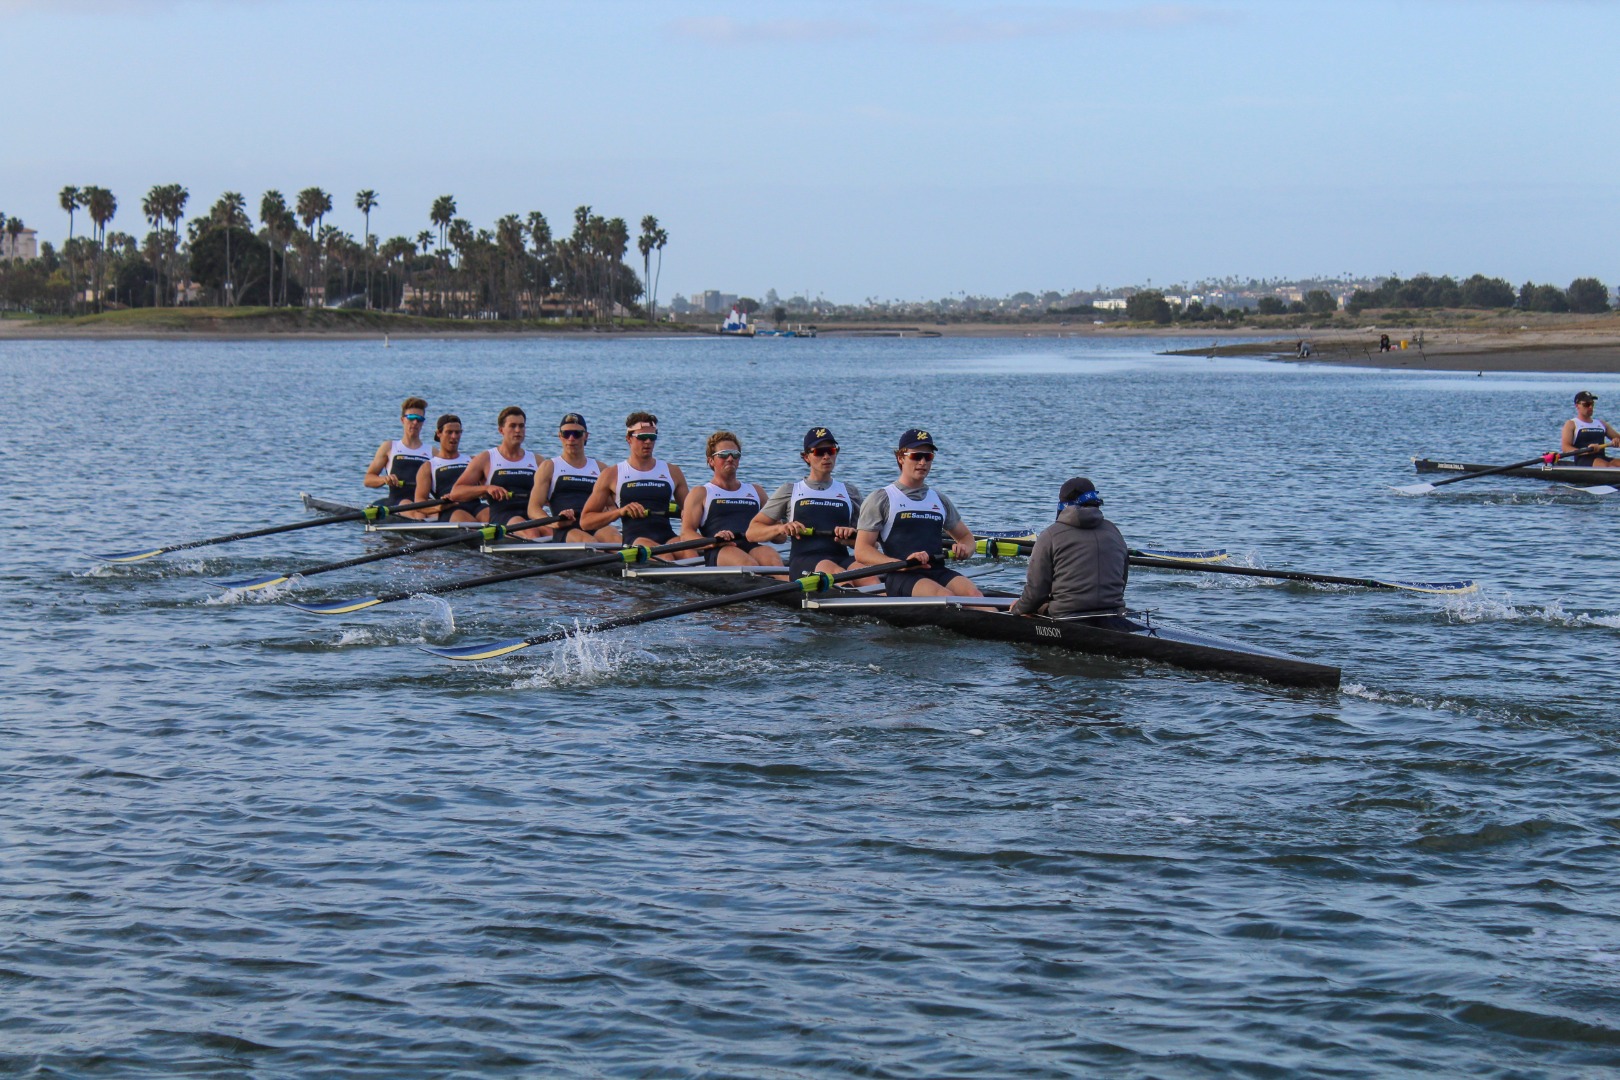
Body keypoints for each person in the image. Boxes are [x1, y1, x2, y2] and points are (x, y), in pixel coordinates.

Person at [852, 428, 982, 598]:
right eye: (916, 456)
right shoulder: (882, 498)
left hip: (937, 570)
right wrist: (900, 564)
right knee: (944, 595)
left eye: (928, 457)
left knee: (974, 594)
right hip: (902, 575)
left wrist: (965, 549)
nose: (923, 462)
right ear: (900, 458)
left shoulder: (939, 500)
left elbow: (966, 537)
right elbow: (862, 550)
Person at [747, 426, 874, 582]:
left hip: (841, 558)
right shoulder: (790, 491)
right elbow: (752, 532)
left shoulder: (850, 492)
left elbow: (870, 544)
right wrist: (781, 528)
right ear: (806, 457)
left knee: (868, 576)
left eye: (831, 451)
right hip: (803, 562)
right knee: (835, 572)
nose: (826, 457)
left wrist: (852, 537)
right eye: (819, 452)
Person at [1010, 477, 1129, 618]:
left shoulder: (1050, 535)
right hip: (1114, 614)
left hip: (1065, 616)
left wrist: (1017, 609)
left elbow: (1036, 592)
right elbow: (1122, 581)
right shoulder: (1114, 531)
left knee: (1030, 609)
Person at [579, 411, 690, 558]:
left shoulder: (673, 471)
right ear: (628, 439)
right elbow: (585, 522)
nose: (648, 442)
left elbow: (692, 513)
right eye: (642, 437)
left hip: (668, 536)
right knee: (665, 557)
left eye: (652, 437)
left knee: (691, 554)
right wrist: (619, 512)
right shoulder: (612, 474)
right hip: (636, 540)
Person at [681, 431, 783, 569]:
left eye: (735, 454)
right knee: (748, 564)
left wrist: (781, 529)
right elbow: (686, 534)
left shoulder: (757, 492)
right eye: (723, 454)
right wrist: (713, 542)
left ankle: (789, 583)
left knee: (772, 557)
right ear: (711, 460)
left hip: (751, 546)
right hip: (719, 549)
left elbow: (781, 538)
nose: (730, 458)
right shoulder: (700, 493)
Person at [448, 406, 541, 532]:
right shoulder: (486, 458)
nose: (518, 430)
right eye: (512, 426)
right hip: (502, 517)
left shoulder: (537, 460)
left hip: (531, 516)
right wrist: (486, 488)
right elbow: (456, 492)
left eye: (521, 426)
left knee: (550, 532)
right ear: (501, 430)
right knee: (532, 532)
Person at [529, 412, 617, 542]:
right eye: (566, 434)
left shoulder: (601, 469)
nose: (571, 438)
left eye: (577, 434)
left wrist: (606, 514)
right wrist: (554, 523)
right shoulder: (549, 467)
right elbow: (533, 508)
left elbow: (613, 507)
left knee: (616, 539)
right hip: (565, 528)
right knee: (589, 542)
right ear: (560, 436)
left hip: (594, 524)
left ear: (586, 436)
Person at [408, 413, 477, 521]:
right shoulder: (428, 467)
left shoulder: (472, 460)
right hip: (450, 510)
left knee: (491, 517)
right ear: (439, 433)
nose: (454, 436)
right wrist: (437, 508)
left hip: (476, 506)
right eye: (449, 432)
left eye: (457, 432)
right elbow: (419, 503)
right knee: (468, 521)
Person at [363, 396, 432, 506]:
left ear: (423, 422)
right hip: (397, 502)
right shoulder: (389, 447)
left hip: (422, 503)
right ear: (402, 420)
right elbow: (368, 479)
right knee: (407, 504)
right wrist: (384, 479)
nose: (415, 422)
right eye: (411, 417)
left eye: (419, 419)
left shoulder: (432, 452)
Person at [1561, 391, 1620, 468]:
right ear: (1577, 406)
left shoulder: (1601, 423)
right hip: (1584, 461)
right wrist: (1586, 450)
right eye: (1587, 404)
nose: (1590, 407)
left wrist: (1616, 441)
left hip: (1603, 458)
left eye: (1592, 404)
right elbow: (1565, 448)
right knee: (1608, 466)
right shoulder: (1571, 424)